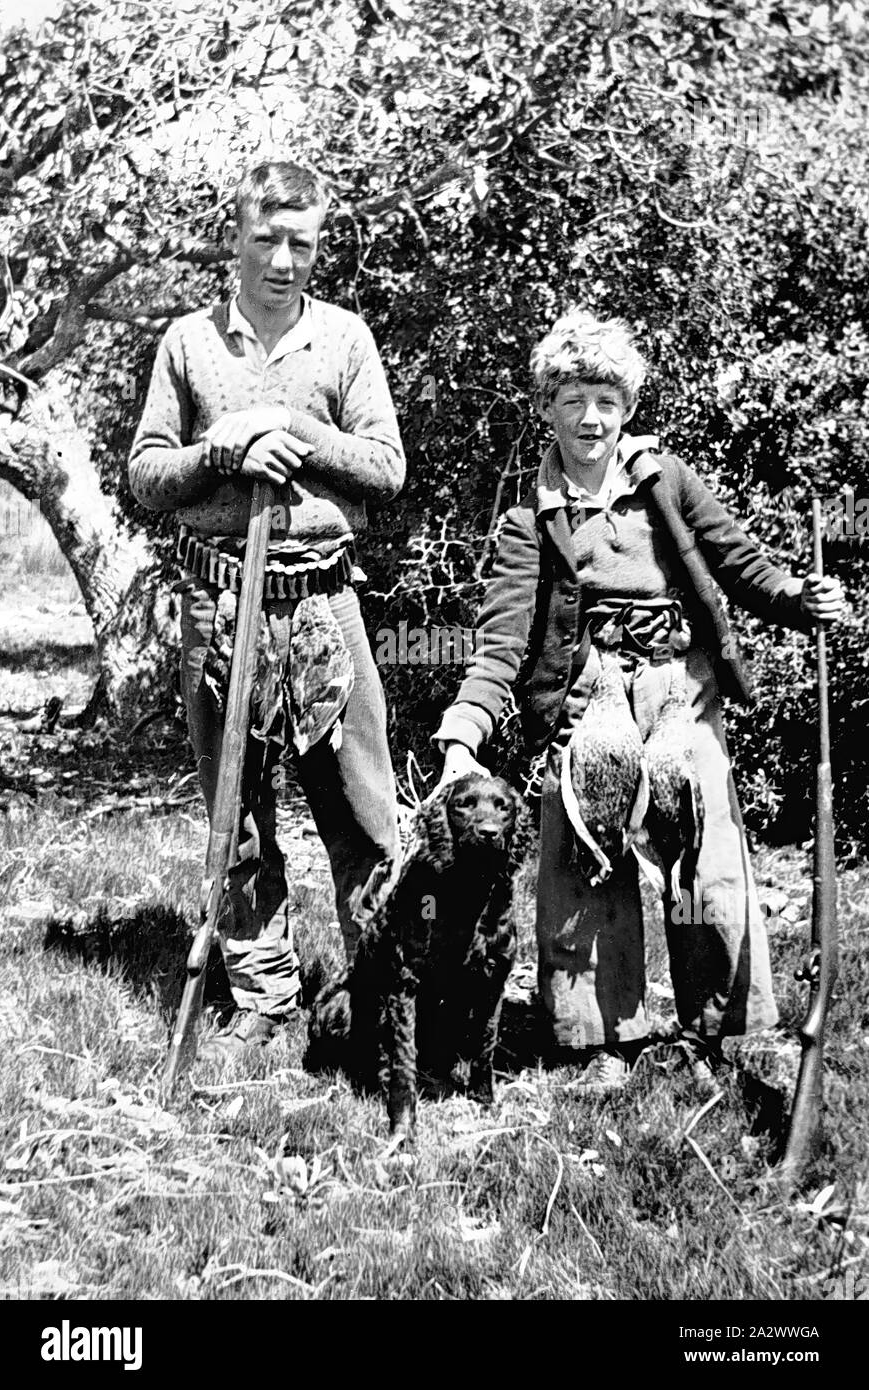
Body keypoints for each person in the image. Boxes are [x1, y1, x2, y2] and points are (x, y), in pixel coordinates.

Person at [434, 309, 846, 1095]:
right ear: (546, 406)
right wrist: (465, 730)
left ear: (626, 407)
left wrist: (800, 597)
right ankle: (596, 1040)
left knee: (709, 845)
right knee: (586, 849)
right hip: (588, 690)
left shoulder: (666, 480)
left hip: (675, 685)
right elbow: (501, 639)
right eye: (571, 399)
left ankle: (725, 1028)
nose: (590, 417)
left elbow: (738, 561)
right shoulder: (530, 519)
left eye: (606, 400)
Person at [129, 160, 405, 1064]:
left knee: (364, 812)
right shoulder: (188, 344)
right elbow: (145, 479)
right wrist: (219, 451)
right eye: (267, 241)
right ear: (235, 239)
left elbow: (387, 470)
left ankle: (381, 991)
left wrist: (300, 435)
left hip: (324, 602)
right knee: (235, 814)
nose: (285, 261)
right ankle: (265, 994)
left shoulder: (345, 340)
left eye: (304, 243)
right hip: (220, 603)